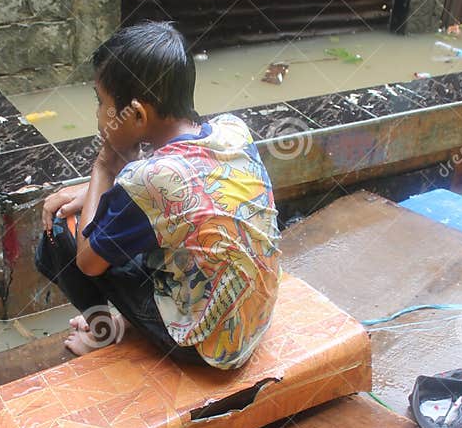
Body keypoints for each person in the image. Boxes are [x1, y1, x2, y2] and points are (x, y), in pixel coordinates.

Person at [35, 21, 280, 370]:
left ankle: (102, 333)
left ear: (135, 114)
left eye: (100, 102)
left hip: (205, 347)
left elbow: (88, 262)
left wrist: (104, 166)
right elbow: (167, 189)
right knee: (129, 231)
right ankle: (134, 319)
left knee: (60, 230)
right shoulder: (232, 130)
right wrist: (97, 192)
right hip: (251, 317)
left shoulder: (148, 179)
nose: (97, 113)